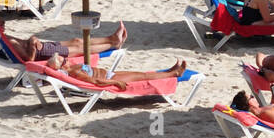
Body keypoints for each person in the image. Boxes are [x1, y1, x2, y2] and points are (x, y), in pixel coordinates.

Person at [1, 22, 128, 63]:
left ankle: (111, 38)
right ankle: (113, 45)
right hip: (44, 54)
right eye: (1, 22)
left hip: (44, 47)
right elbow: (29, 59)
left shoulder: (3, 38)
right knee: (80, 49)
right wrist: (32, 42)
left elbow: (25, 46)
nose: (3, 23)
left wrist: (31, 41)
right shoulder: (6, 42)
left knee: (76, 41)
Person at [45, 54, 187, 88]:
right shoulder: (74, 73)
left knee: (142, 74)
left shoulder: (73, 67)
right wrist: (115, 82)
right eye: (63, 60)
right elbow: (95, 81)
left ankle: (170, 70)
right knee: (143, 77)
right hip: (110, 78)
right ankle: (175, 73)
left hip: (110, 73)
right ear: (62, 66)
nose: (66, 59)